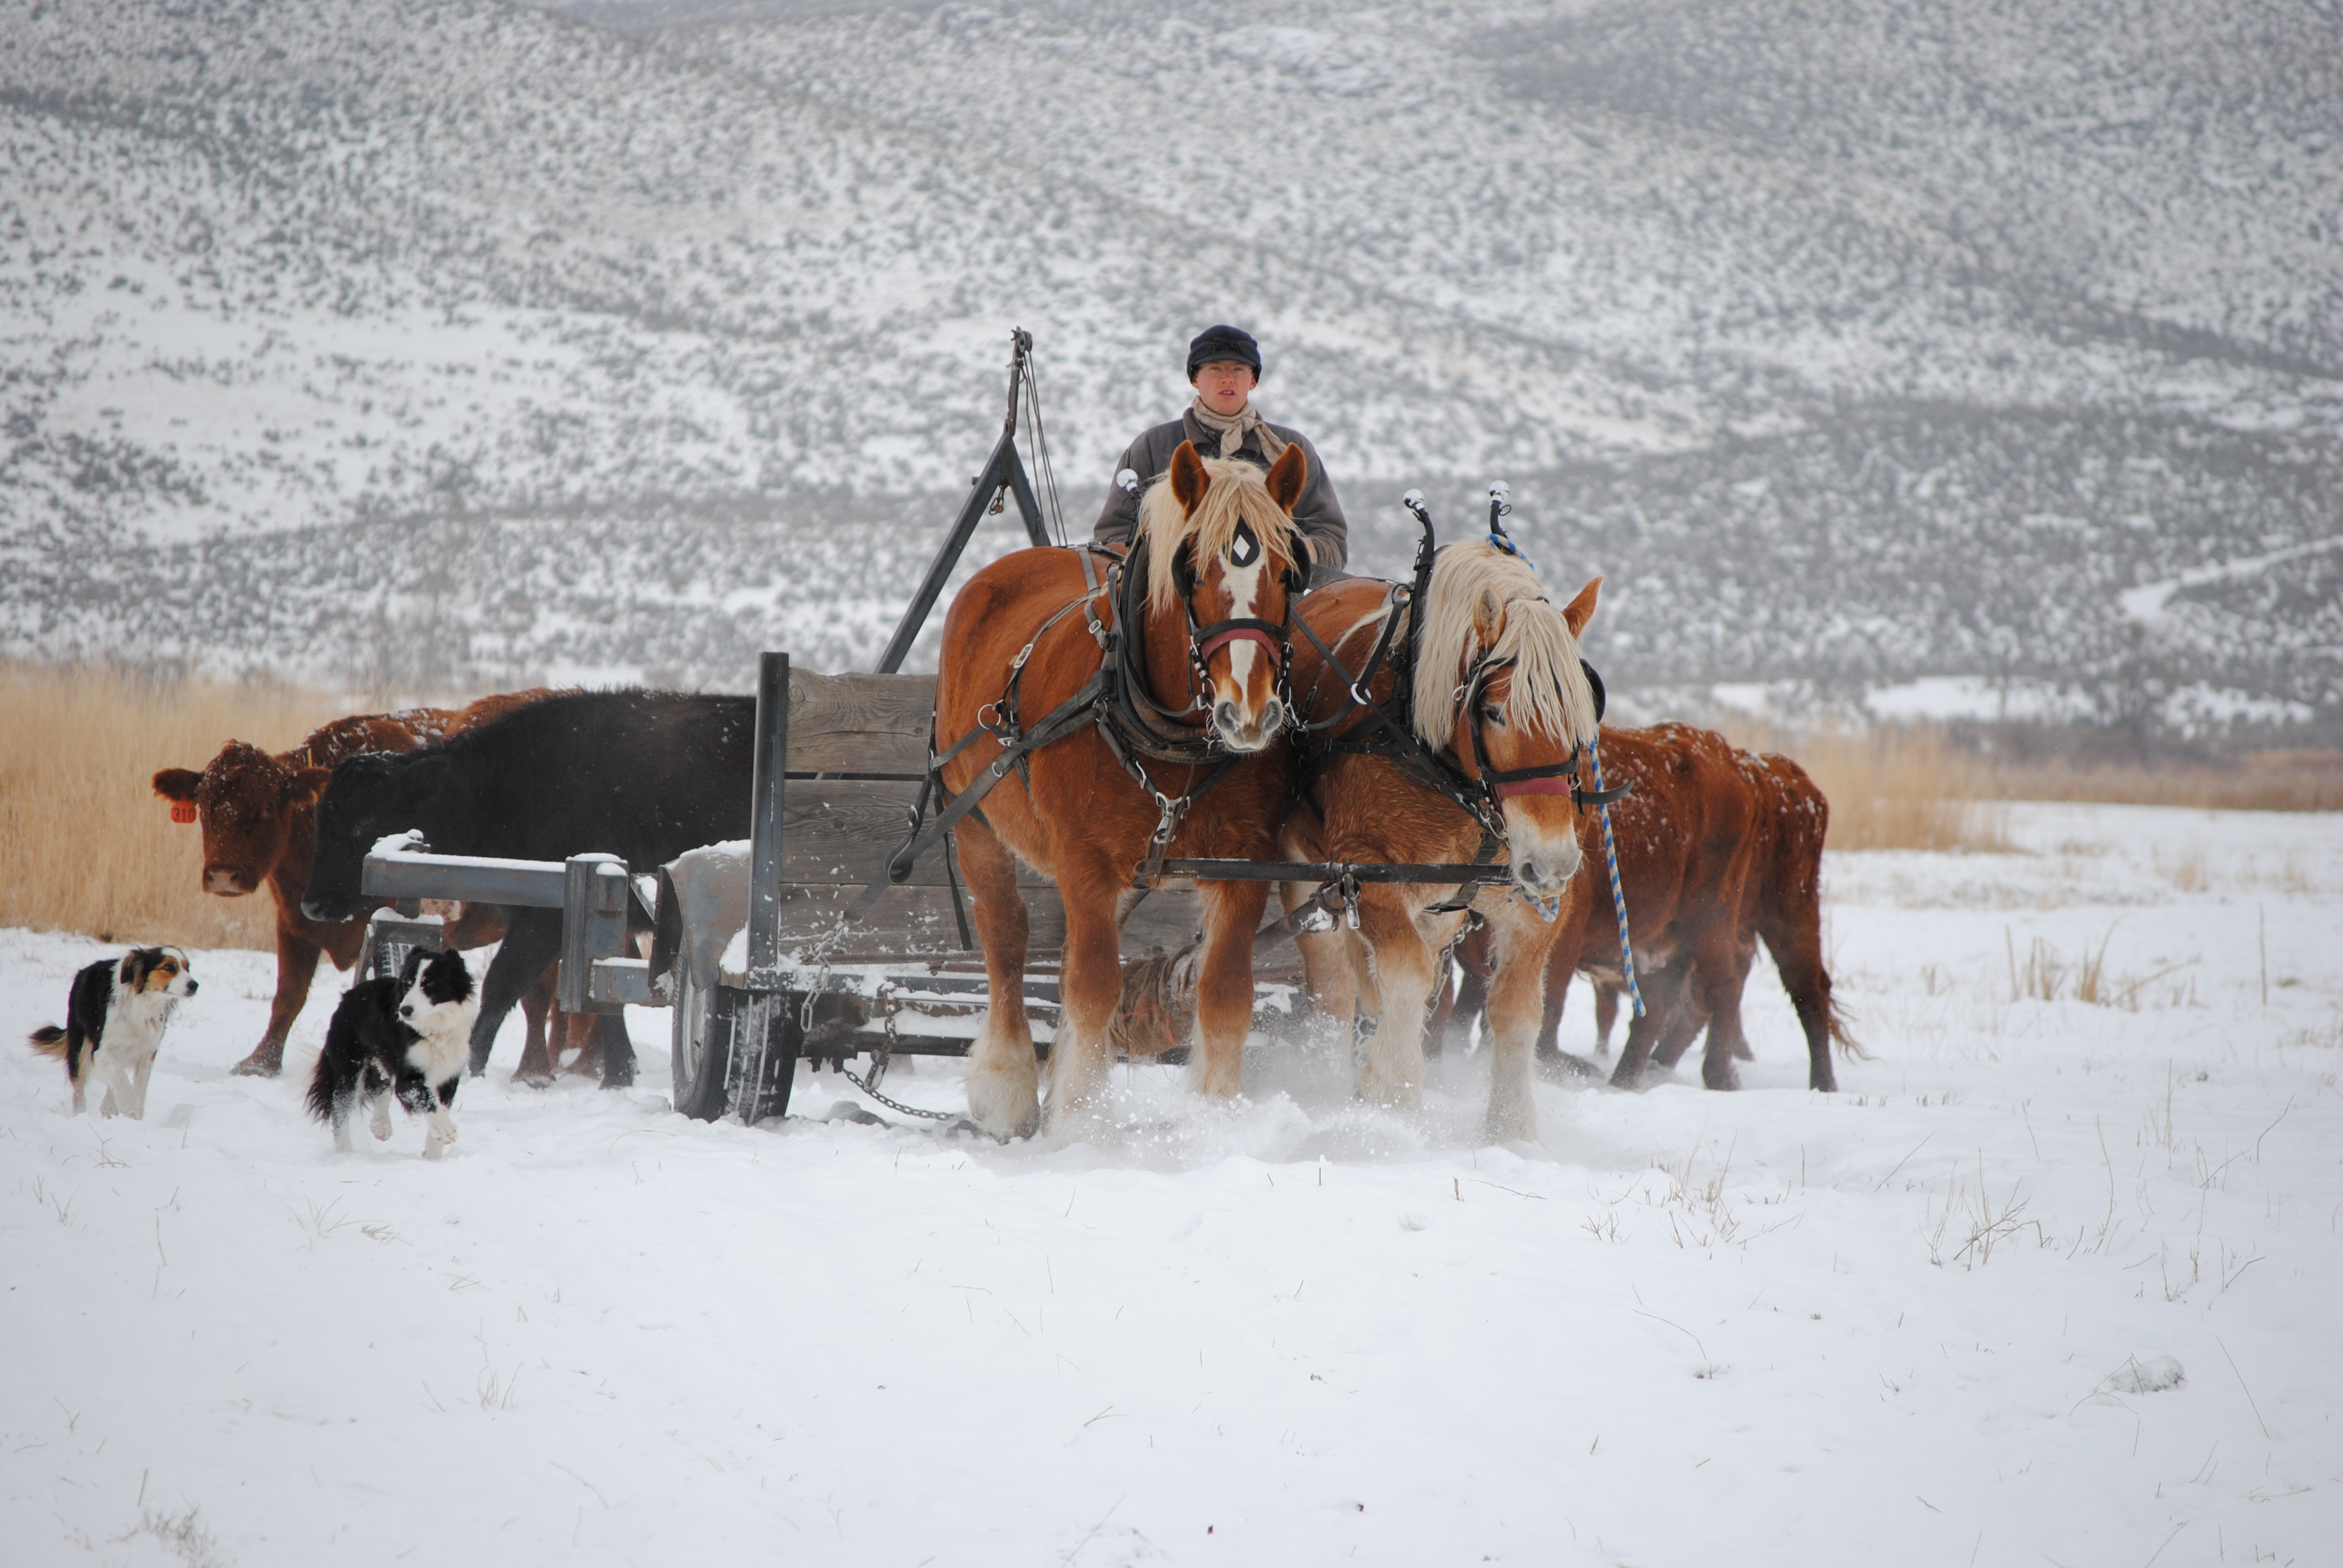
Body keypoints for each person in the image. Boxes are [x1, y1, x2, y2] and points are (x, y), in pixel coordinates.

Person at [1093, 325, 1349, 583]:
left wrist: (1292, 551)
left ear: (1253, 380)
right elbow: (1110, 540)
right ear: (1195, 379)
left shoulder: (1292, 450)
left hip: (1274, 618)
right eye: (1215, 369)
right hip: (1171, 618)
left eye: (1239, 369)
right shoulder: (1153, 446)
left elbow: (1332, 543)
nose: (1228, 378)